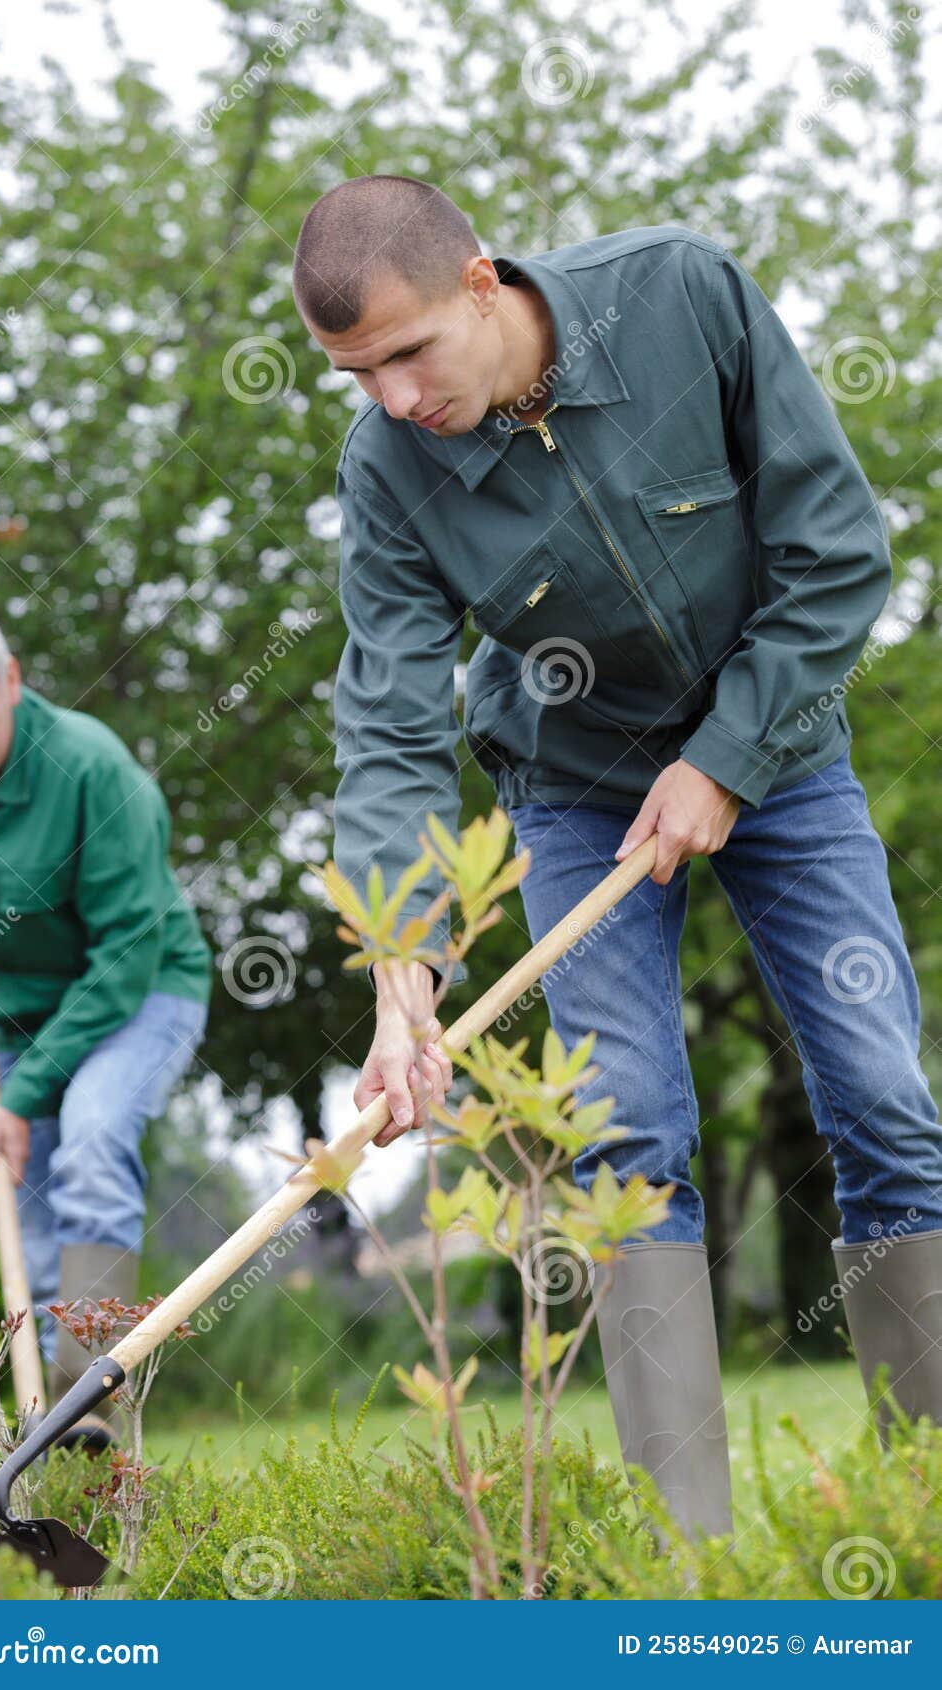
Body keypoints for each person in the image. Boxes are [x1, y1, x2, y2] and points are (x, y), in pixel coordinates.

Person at [291, 174, 942, 1539]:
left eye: (407, 353)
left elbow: (830, 554)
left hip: (779, 748)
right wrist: (402, 971)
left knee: (881, 1097)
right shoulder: (387, 467)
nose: (395, 401)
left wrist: (722, 761)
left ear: (481, 281)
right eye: (356, 376)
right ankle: (683, 1558)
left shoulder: (677, 297)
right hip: (578, 790)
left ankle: (924, 1501)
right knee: (625, 1139)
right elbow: (393, 723)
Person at [0, 606, 211, 1442]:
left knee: (93, 1137)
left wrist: (19, 1097)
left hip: (139, 991)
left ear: (14, 684)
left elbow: (125, 957)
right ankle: (52, 1446)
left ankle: (86, 1399)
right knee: (24, 1207)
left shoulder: (93, 769)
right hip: (18, 1009)